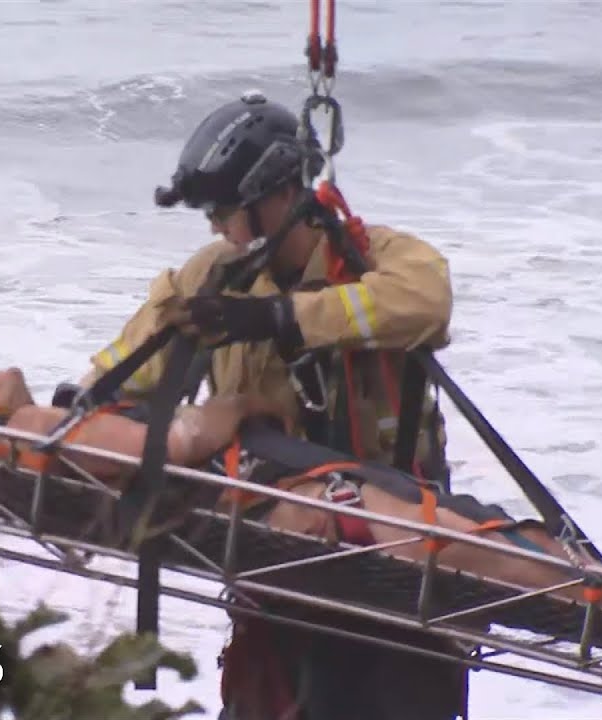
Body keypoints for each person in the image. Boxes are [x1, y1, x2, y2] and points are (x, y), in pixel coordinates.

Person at [0, 367, 602, 719]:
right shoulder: (37, 426)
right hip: (346, 518)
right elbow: (176, 446)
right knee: (583, 591)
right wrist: (239, 403)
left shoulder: (48, 423)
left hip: (341, 513)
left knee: (571, 582)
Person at [68, 91, 464, 718]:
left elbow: (427, 299)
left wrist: (278, 317)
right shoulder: (212, 277)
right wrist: (85, 402)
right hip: (275, 563)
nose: (216, 227)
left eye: (227, 211)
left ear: (280, 197)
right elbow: (130, 361)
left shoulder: (381, 259)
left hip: (392, 571)